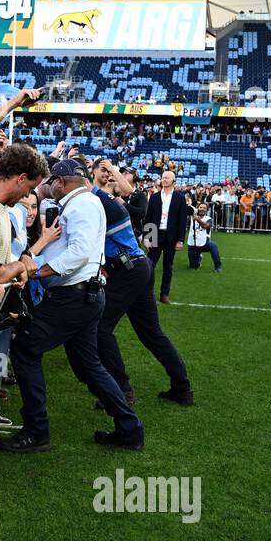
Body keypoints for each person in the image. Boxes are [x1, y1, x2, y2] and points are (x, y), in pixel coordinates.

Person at [6, 156, 144, 452]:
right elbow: (73, 250)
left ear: (61, 181)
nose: (49, 188)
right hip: (85, 295)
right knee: (90, 366)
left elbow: (78, 252)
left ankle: (36, 430)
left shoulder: (80, 205)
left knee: (25, 348)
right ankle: (129, 428)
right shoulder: (85, 203)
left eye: (51, 182)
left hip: (73, 296)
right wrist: (37, 264)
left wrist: (38, 270)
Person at [91, 158, 193, 407]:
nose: (109, 176)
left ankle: (121, 390)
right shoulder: (109, 198)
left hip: (129, 268)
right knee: (151, 333)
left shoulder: (103, 199)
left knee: (101, 327)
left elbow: (134, 196)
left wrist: (112, 172)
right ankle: (182, 388)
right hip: (137, 265)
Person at [143, 169, 187, 304]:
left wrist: (180, 239)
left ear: (173, 181)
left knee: (168, 267)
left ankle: (164, 294)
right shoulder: (155, 197)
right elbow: (148, 217)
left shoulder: (180, 198)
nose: (164, 179)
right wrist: (146, 237)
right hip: (155, 234)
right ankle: (145, 294)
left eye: (167, 177)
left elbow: (182, 220)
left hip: (171, 236)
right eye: (163, 177)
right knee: (149, 266)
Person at [185, 202, 221, 272]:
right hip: (193, 243)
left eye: (204, 208)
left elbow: (205, 226)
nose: (202, 209)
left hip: (204, 242)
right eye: (201, 207)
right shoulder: (192, 215)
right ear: (197, 208)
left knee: (213, 246)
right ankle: (198, 258)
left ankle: (218, 267)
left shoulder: (209, 218)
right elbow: (187, 209)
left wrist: (198, 220)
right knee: (193, 267)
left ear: (207, 210)